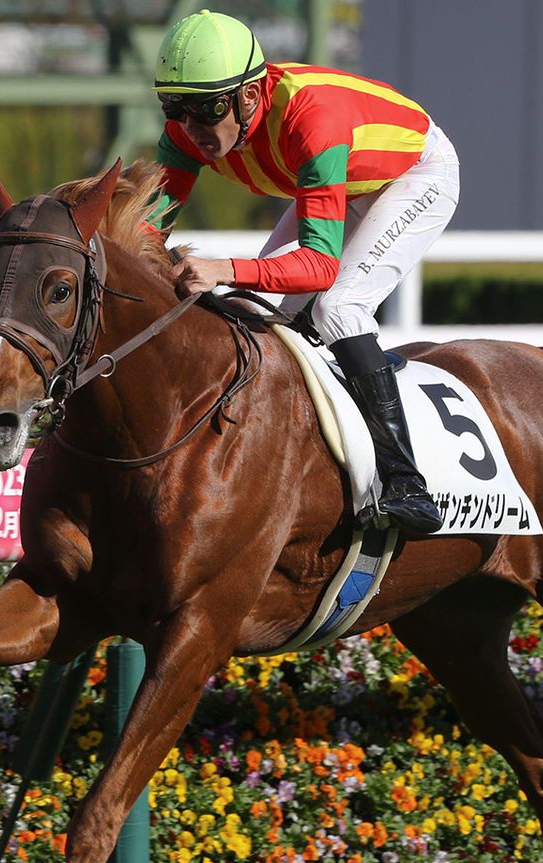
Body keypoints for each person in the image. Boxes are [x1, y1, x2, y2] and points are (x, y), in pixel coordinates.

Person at [150, 9, 459, 535]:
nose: (190, 127)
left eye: (205, 108)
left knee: (338, 305)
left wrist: (223, 269)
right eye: (175, 107)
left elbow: (318, 266)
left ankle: (406, 482)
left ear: (249, 96)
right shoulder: (185, 134)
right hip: (338, 180)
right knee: (253, 314)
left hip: (412, 177)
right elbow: (147, 232)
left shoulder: (309, 118)